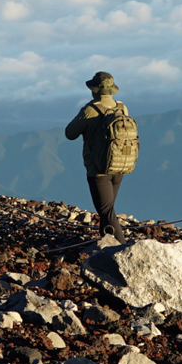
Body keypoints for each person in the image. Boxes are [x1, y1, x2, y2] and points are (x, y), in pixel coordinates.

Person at [64, 71, 134, 240]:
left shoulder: (90, 110)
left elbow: (70, 133)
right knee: (106, 210)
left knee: (107, 212)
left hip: (98, 170)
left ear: (94, 90)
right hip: (119, 166)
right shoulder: (121, 107)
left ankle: (120, 250)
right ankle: (107, 245)